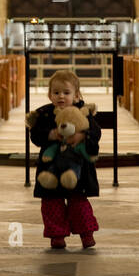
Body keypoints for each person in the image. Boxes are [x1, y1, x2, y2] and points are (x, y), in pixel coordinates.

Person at [28, 70, 101, 251]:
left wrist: (82, 136)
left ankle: (86, 233)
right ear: (49, 94)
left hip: (78, 168)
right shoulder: (44, 114)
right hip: (50, 166)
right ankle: (57, 235)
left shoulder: (82, 112)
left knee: (79, 202)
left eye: (66, 93)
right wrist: (50, 134)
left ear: (76, 95)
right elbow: (35, 135)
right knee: (51, 202)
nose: (61, 96)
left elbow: (96, 132)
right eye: (56, 92)